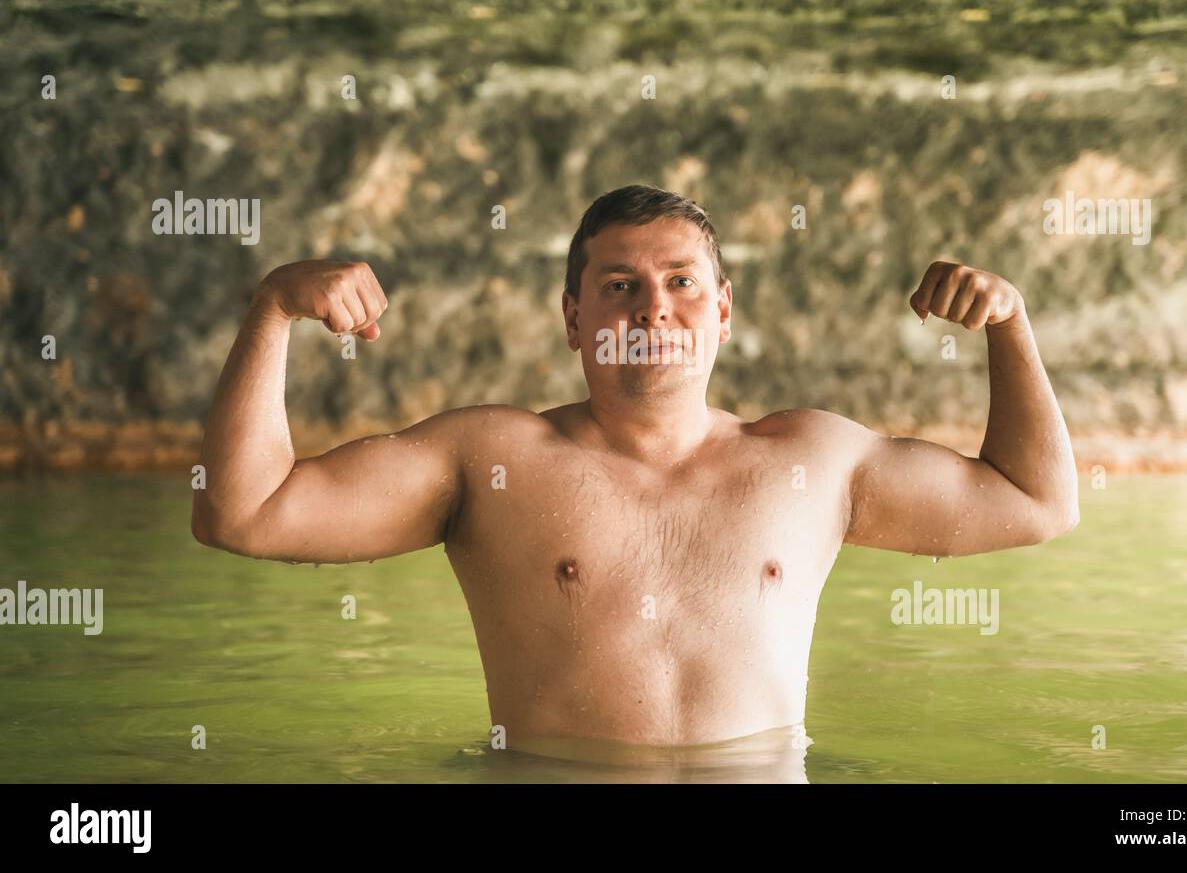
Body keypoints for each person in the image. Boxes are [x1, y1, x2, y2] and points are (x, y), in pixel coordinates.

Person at [192, 183, 1078, 776]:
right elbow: (242, 513)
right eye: (619, 285)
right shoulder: (490, 461)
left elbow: (1034, 501)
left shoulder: (813, 462)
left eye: (681, 282)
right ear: (575, 319)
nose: (653, 306)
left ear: (722, 313)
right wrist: (273, 307)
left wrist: (1011, 325)